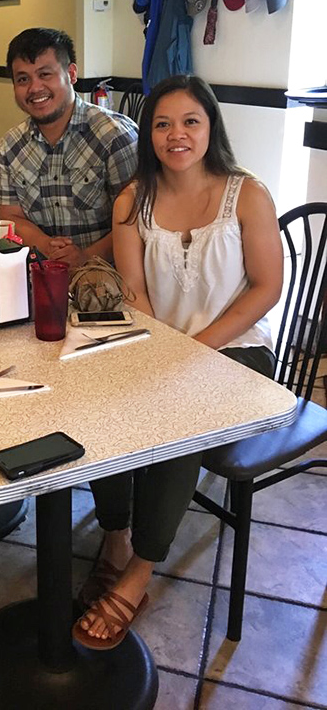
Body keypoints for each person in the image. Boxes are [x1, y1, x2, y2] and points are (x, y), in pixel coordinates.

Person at [75, 74, 283, 650]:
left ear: (210, 126)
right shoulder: (131, 200)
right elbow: (132, 294)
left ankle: (139, 570)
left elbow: (266, 288)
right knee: (103, 402)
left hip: (237, 352)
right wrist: (164, 350)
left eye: (190, 121)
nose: (176, 134)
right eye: (162, 123)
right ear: (148, 134)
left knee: (176, 418)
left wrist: (199, 348)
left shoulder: (248, 194)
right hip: (158, 343)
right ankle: (114, 535)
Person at [0, 27, 138, 269]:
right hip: (41, 273)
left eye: (45, 74)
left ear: (71, 74)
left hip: (111, 277)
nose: (34, 88)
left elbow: (137, 219)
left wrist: (86, 258)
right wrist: (45, 245)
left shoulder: (114, 136)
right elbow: (10, 216)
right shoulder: (11, 146)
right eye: (23, 79)